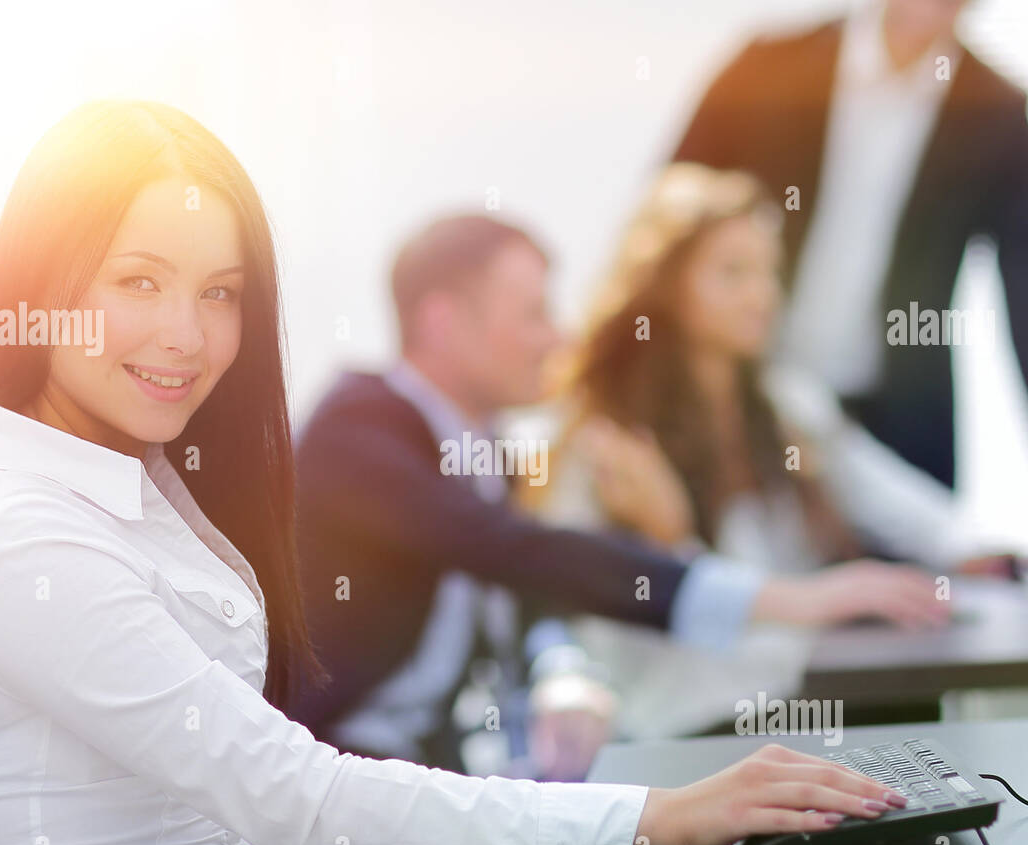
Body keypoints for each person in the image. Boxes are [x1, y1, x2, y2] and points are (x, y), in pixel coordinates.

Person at [0, 101, 905, 845]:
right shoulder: (25, 534)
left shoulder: (140, 490)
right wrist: (653, 814)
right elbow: (296, 797)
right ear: (43, 282)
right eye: (139, 280)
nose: (185, 335)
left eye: (221, 292)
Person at [292, 212, 949, 785]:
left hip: (429, 776)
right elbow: (520, 552)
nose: (558, 338)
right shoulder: (357, 430)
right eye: (534, 314)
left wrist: (562, 671)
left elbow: (529, 604)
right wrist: (799, 598)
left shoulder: (483, 446)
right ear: (442, 322)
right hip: (326, 784)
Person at [529, 164, 1007, 735]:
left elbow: (894, 500)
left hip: (785, 692)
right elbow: (581, 601)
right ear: (666, 284)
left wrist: (988, 552)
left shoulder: (785, 405)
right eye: (733, 273)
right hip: (679, 719)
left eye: (768, 273)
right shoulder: (605, 432)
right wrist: (670, 536)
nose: (761, 295)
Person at [671, 0, 1028, 535]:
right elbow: (665, 223)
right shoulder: (769, 67)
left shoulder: (993, 107)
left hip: (902, 431)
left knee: (924, 591)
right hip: (741, 411)